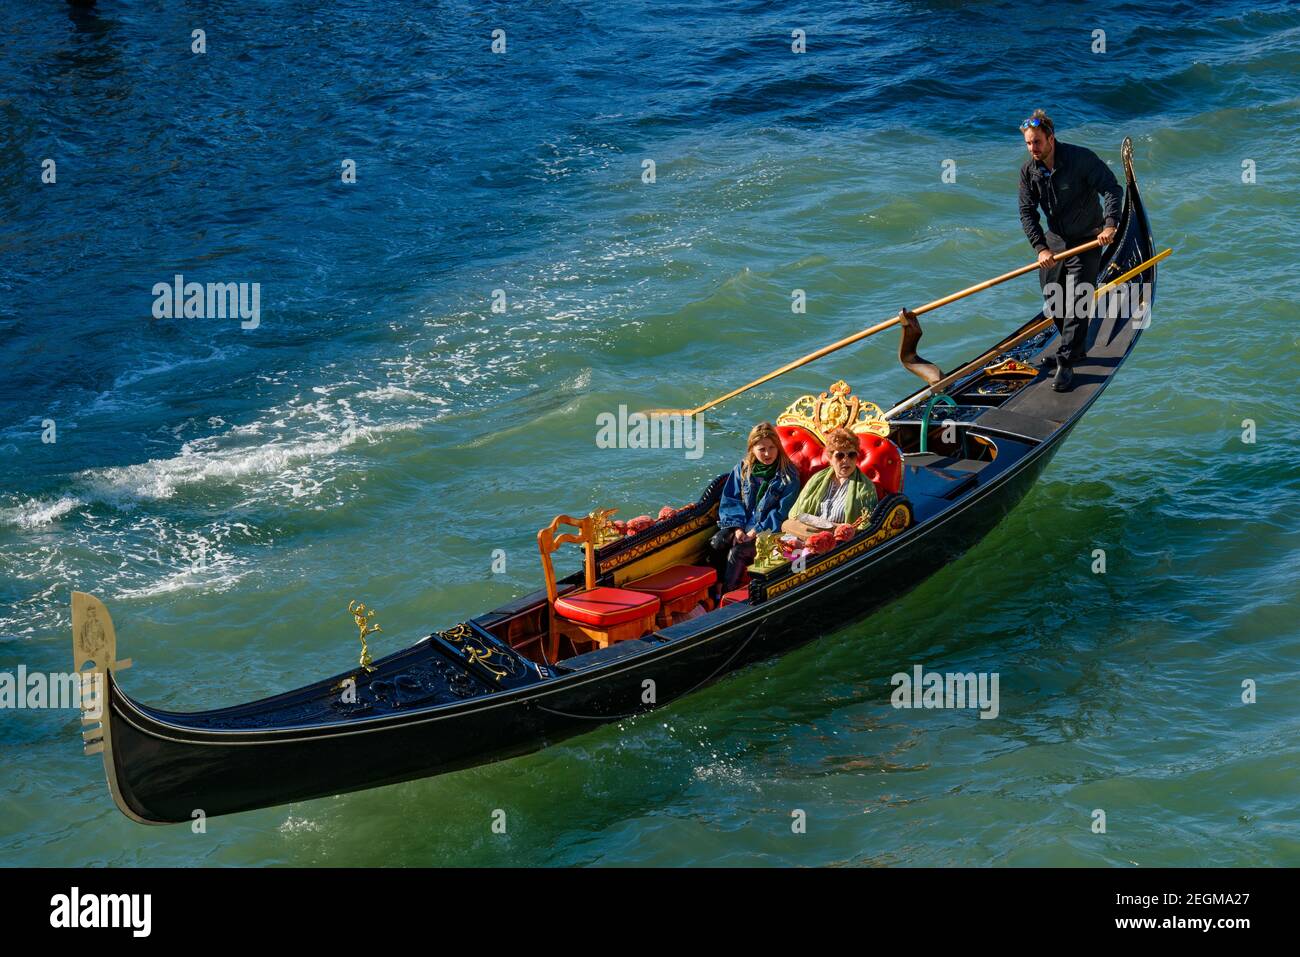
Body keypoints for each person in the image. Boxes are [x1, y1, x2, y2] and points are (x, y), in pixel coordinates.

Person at [1017, 109, 1123, 392]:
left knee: (1077, 301)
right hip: (1055, 242)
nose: (1033, 149)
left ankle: (1066, 362)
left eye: (1037, 142)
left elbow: (1112, 189)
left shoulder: (1081, 159)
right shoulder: (1029, 171)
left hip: (1089, 238)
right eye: (1028, 143)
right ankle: (1072, 348)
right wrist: (1040, 248)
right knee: (1054, 301)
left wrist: (1110, 225)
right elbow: (1027, 213)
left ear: (1051, 138)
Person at [709, 422, 801, 591]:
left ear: (778, 447)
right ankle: (716, 585)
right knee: (717, 542)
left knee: (738, 552)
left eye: (772, 447)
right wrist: (737, 528)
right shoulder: (743, 469)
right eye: (762, 449)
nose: (768, 453)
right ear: (752, 449)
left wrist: (754, 531)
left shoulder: (788, 475)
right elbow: (731, 498)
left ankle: (726, 595)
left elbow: (781, 512)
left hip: (769, 530)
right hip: (741, 523)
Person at [781, 427, 877, 539]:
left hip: (839, 539)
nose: (846, 460)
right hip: (808, 530)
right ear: (830, 458)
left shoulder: (866, 487)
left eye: (851, 455)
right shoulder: (817, 479)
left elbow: (864, 528)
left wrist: (834, 528)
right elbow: (795, 515)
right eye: (840, 456)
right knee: (786, 524)